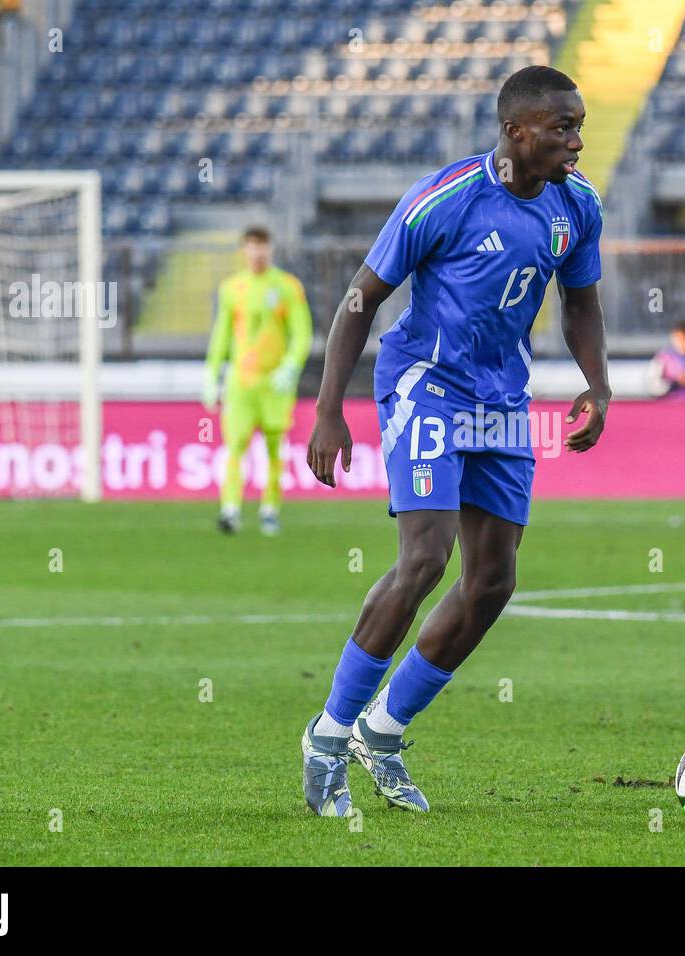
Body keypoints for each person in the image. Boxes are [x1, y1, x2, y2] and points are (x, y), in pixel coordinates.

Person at [300, 65, 610, 816]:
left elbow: (580, 303)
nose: (576, 140)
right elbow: (360, 298)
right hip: (426, 385)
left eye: (579, 125)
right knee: (426, 559)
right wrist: (328, 407)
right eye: (563, 127)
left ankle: (385, 729)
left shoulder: (578, 208)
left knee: (493, 582)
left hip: (503, 400)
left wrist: (598, 386)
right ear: (517, 132)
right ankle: (329, 734)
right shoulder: (447, 196)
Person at [202, 226, 312, 536]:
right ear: (244, 249)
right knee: (235, 446)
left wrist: (290, 367)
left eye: (262, 246)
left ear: (270, 249)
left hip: (274, 383)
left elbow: (301, 332)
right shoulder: (231, 288)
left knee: (276, 449)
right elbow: (221, 334)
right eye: (251, 246)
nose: (257, 252)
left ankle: (270, 509)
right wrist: (212, 374)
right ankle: (230, 509)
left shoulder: (288, 287)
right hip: (242, 382)